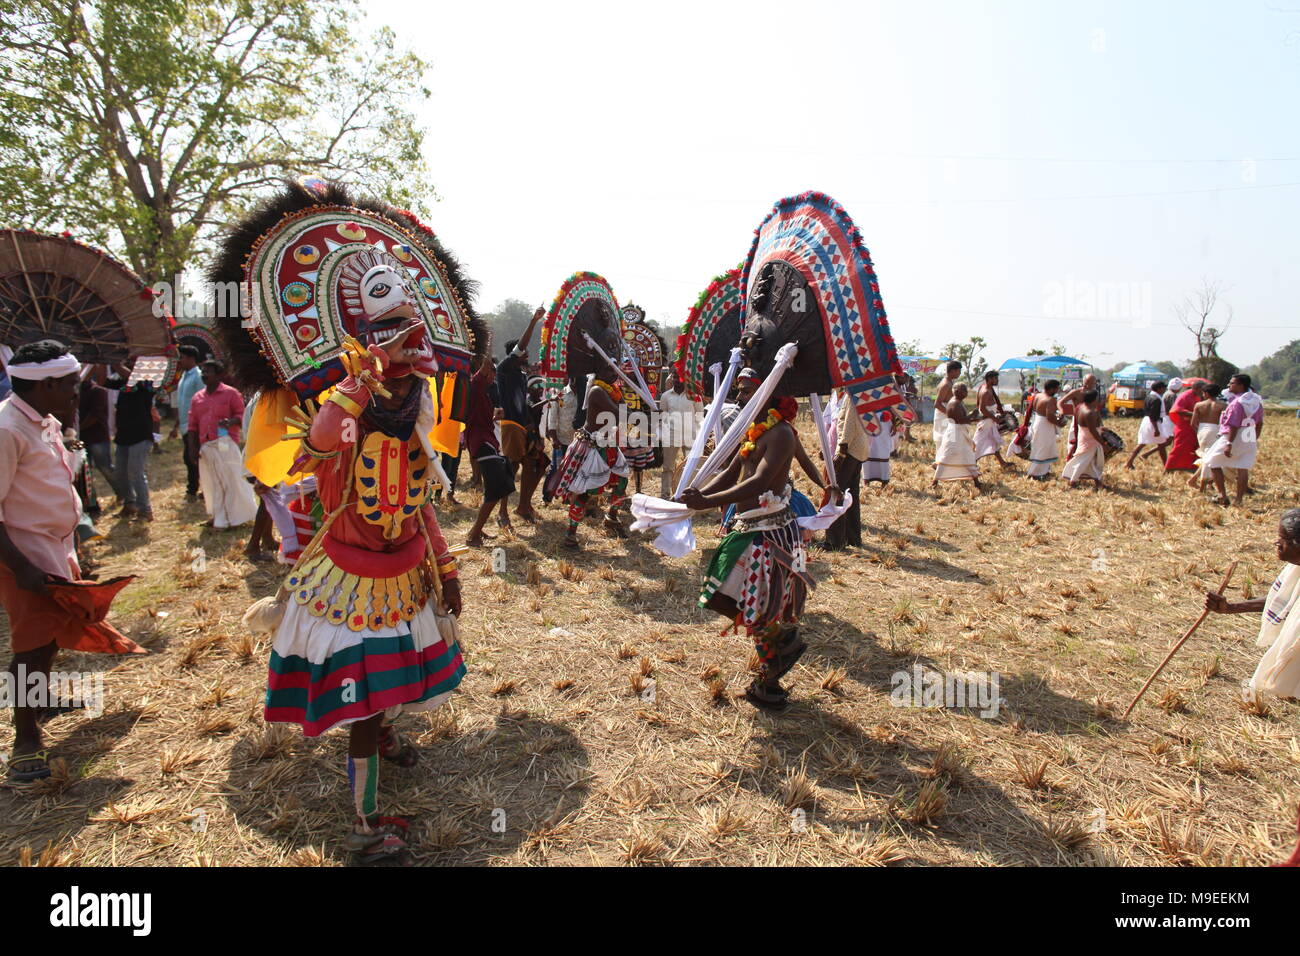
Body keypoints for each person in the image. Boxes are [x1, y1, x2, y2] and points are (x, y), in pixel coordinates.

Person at [0, 340, 141, 783]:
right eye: (68, 387)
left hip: (54, 549)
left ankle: (38, 703)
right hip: (25, 556)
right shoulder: (6, 429)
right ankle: (24, 741)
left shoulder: (41, 420)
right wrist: (23, 568)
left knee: (49, 639)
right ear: (45, 386)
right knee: (31, 646)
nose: (75, 394)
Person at [684, 394, 826, 714]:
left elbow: (760, 480)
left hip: (770, 533)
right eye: (745, 388)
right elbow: (733, 472)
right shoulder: (756, 430)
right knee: (734, 601)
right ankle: (776, 660)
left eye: (752, 389)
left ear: (771, 394)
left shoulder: (782, 434)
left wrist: (706, 502)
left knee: (756, 607)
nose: (744, 394)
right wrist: (697, 496)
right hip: (748, 527)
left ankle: (770, 681)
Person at [1203, 510, 1300, 704]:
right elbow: (1282, 602)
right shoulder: (1295, 569)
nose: (1276, 543)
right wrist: (1229, 608)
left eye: (1282, 538)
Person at [546, 367, 631, 549]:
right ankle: (571, 533)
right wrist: (648, 416)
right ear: (598, 373)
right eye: (609, 370)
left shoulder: (611, 389)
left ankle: (612, 517)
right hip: (592, 446)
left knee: (622, 480)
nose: (613, 374)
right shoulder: (596, 390)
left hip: (607, 443)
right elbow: (620, 413)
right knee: (586, 492)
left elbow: (622, 411)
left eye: (615, 370)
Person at [188, 359, 257, 530]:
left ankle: (236, 518)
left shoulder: (231, 394)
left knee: (232, 481)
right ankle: (219, 517)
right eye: (203, 372)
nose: (204, 375)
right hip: (207, 446)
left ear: (219, 375)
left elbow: (242, 416)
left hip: (225, 443)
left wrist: (231, 421)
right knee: (212, 483)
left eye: (208, 372)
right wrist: (192, 448)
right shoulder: (198, 397)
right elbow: (192, 425)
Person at [495, 309, 547, 525]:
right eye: (523, 352)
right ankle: (503, 512)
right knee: (512, 468)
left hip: (525, 426)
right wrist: (534, 321)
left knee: (540, 463)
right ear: (514, 354)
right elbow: (521, 346)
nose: (527, 355)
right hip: (512, 426)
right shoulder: (505, 370)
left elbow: (525, 405)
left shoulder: (521, 375)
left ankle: (524, 505)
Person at [464, 357, 515, 548]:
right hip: (481, 443)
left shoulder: (483, 394)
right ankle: (473, 535)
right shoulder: (476, 386)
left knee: (502, 482)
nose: (493, 373)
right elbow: (483, 367)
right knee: (496, 488)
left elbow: (479, 418)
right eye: (491, 370)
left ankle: (478, 529)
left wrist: (494, 416)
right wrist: (486, 354)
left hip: (487, 441)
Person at [1204, 374, 1265, 507]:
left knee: (1212, 461)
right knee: (1243, 467)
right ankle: (1239, 500)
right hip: (1249, 434)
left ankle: (1222, 495)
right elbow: (1260, 422)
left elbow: (1233, 425)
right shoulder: (1256, 402)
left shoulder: (1237, 403)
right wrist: (1254, 437)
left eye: (1232, 383)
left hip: (1234, 435)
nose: (1229, 385)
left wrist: (1229, 444)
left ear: (1241, 386)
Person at [107, 368, 156, 521]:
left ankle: (145, 510)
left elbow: (135, 378)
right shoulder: (124, 386)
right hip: (123, 436)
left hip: (141, 435)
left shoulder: (147, 383)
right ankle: (130, 504)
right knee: (120, 473)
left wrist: (116, 363)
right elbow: (104, 382)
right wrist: (99, 361)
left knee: (136, 473)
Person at [826, 389, 869, 550]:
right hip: (859, 447)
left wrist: (841, 450)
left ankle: (835, 541)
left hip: (850, 448)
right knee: (852, 494)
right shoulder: (864, 389)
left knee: (838, 492)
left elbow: (850, 422)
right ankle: (853, 537)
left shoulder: (854, 391)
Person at [77, 371, 123, 511]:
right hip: (80, 438)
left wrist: (78, 429)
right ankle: (91, 504)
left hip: (97, 437)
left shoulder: (98, 391)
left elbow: (94, 415)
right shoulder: (73, 392)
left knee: (105, 467)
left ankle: (123, 493)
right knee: (84, 472)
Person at [658, 369, 699, 498]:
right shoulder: (665, 396)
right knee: (668, 468)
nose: (676, 380)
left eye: (679, 377)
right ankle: (665, 496)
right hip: (670, 436)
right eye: (674, 377)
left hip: (690, 436)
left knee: (690, 467)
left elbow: (699, 415)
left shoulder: (694, 396)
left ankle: (689, 495)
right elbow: (662, 416)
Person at [932, 383, 981, 490]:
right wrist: (973, 416)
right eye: (963, 390)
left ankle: (976, 481)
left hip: (959, 433)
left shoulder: (958, 402)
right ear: (956, 391)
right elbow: (960, 420)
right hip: (954, 433)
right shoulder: (954, 403)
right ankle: (934, 482)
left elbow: (962, 420)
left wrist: (974, 418)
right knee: (947, 456)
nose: (966, 393)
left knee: (967, 455)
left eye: (966, 390)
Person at [170, 345, 204, 498]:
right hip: (185, 423)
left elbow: (203, 400)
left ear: (191, 358)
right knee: (190, 457)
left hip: (195, 424)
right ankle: (194, 487)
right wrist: (176, 424)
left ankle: (194, 489)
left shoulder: (198, 376)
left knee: (192, 457)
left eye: (182, 357)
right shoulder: (184, 376)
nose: (180, 360)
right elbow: (183, 402)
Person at [1060, 388, 1107, 489]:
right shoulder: (1090, 412)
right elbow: (1092, 431)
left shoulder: (1079, 407)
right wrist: (1102, 441)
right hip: (1090, 439)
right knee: (1083, 461)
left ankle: (1098, 482)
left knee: (1091, 461)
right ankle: (1072, 480)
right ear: (1094, 400)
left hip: (1083, 435)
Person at [542, 381, 577, 504]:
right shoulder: (559, 394)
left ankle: (568, 498)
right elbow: (552, 417)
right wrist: (553, 438)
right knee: (556, 469)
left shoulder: (584, 393)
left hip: (578, 440)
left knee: (574, 470)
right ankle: (546, 497)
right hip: (561, 439)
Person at [1024, 379, 1066, 480]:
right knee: (1043, 449)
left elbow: (1031, 409)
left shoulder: (1037, 395)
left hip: (1037, 422)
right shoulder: (1050, 399)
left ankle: (1044, 471)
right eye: (1056, 388)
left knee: (1041, 447)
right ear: (1052, 389)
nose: (1057, 390)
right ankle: (1033, 473)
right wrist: (1060, 423)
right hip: (1044, 426)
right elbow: (1050, 417)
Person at [973, 370, 1013, 471]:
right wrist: (995, 418)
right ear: (990, 379)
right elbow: (982, 408)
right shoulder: (985, 391)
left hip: (990, 421)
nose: (997, 380)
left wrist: (1000, 414)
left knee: (994, 442)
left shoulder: (989, 389)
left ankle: (1002, 463)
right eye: (995, 378)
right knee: (977, 445)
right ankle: (970, 465)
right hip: (986, 422)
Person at [1190, 382, 1226, 491]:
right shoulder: (1223, 406)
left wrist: (1199, 432)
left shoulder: (1199, 405)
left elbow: (1193, 423)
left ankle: (1196, 481)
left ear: (1206, 393)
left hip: (1202, 430)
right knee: (1209, 458)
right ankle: (1202, 483)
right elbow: (1224, 422)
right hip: (1216, 430)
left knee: (1206, 457)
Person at [1125, 380, 1169, 469]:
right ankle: (1167, 466)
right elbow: (1153, 415)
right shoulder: (1156, 399)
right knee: (1161, 445)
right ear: (1160, 389)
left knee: (1142, 443)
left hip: (1147, 421)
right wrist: (1156, 429)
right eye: (1164, 388)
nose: (1165, 389)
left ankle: (1129, 462)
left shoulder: (1149, 396)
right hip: (1153, 422)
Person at [1057, 372, 1099, 460]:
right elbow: (1060, 402)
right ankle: (1071, 460)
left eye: (1095, 383)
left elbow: (1096, 409)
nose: (1094, 385)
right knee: (1073, 441)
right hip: (1077, 420)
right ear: (1086, 383)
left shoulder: (1094, 394)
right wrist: (1061, 411)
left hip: (1089, 421)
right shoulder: (1076, 392)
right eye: (1093, 383)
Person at [1163, 378, 1200, 472]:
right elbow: (1177, 410)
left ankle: (1191, 469)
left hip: (1193, 427)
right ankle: (1168, 469)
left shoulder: (1197, 396)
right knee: (1179, 448)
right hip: (1183, 426)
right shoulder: (1185, 396)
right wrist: (1194, 414)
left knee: (1193, 449)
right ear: (1196, 388)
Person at [933, 360, 961, 445]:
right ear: (953, 371)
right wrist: (950, 414)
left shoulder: (949, 382)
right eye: (959, 371)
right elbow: (937, 404)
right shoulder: (946, 384)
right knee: (945, 440)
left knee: (950, 440)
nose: (959, 374)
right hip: (944, 416)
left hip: (947, 415)